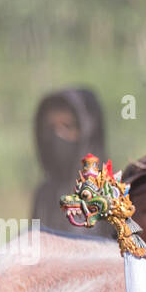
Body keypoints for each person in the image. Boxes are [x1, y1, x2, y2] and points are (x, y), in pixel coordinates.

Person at [31, 87, 112, 239]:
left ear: (89, 131)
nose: (57, 136)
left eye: (68, 126)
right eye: (50, 128)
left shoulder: (111, 192)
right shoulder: (45, 195)